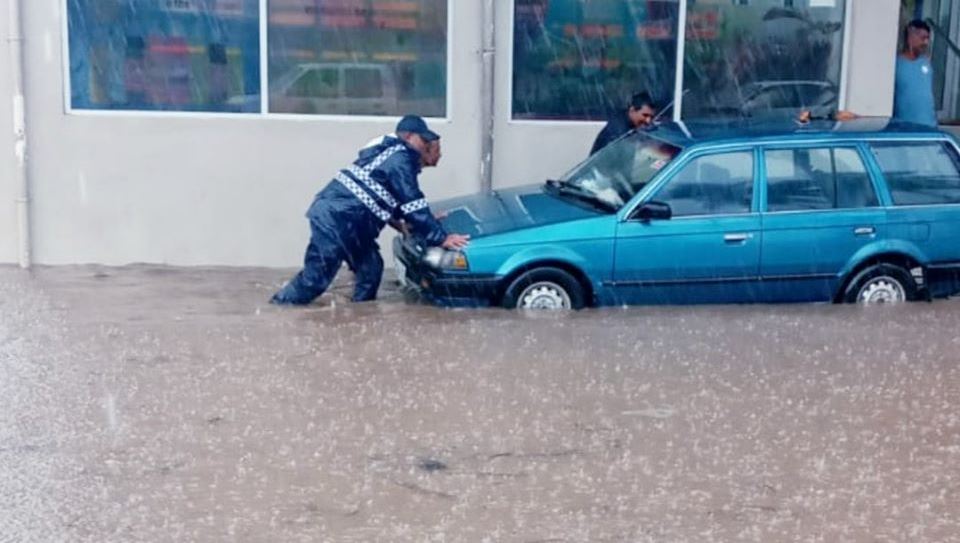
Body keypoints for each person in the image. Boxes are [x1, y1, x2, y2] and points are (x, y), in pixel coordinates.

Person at [271, 115, 470, 305]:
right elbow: (412, 202)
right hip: (336, 220)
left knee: (371, 269)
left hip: (352, 224)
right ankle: (279, 308)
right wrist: (440, 237)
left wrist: (412, 223)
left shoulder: (392, 156)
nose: (427, 146)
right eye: (423, 141)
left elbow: (389, 199)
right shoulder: (400, 159)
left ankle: (358, 314)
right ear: (408, 137)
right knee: (316, 280)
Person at [893, 19, 937, 127]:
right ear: (910, 37)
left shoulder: (926, 63)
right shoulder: (896, 64)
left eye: (927, 39)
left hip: (930, 129)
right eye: (922, 38)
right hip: (905, 129)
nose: (925, 43)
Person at [590, 92, 657, 155]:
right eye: (645, 115)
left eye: (651, 117)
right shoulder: (618, 132)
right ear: (632, 110)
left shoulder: (629, 123)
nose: (648, 121)